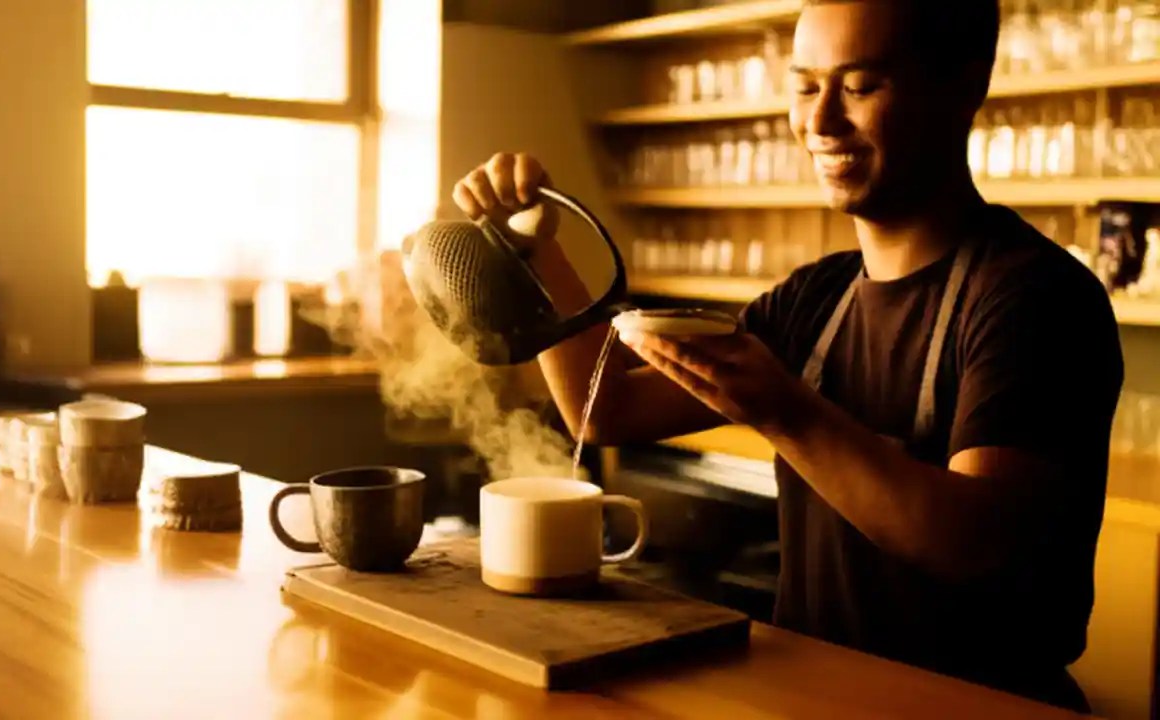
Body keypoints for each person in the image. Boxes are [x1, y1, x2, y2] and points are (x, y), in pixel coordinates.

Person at [451, 0, 1124, 713]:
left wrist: (785, 412)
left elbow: (975, 543)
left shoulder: (1033, 297)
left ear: (965, 85)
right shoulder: (814, 299)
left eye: (860, 87)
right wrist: (538, 254)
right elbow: (608, 404)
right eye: (806, 87)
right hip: (813, 697)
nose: (821, 121)